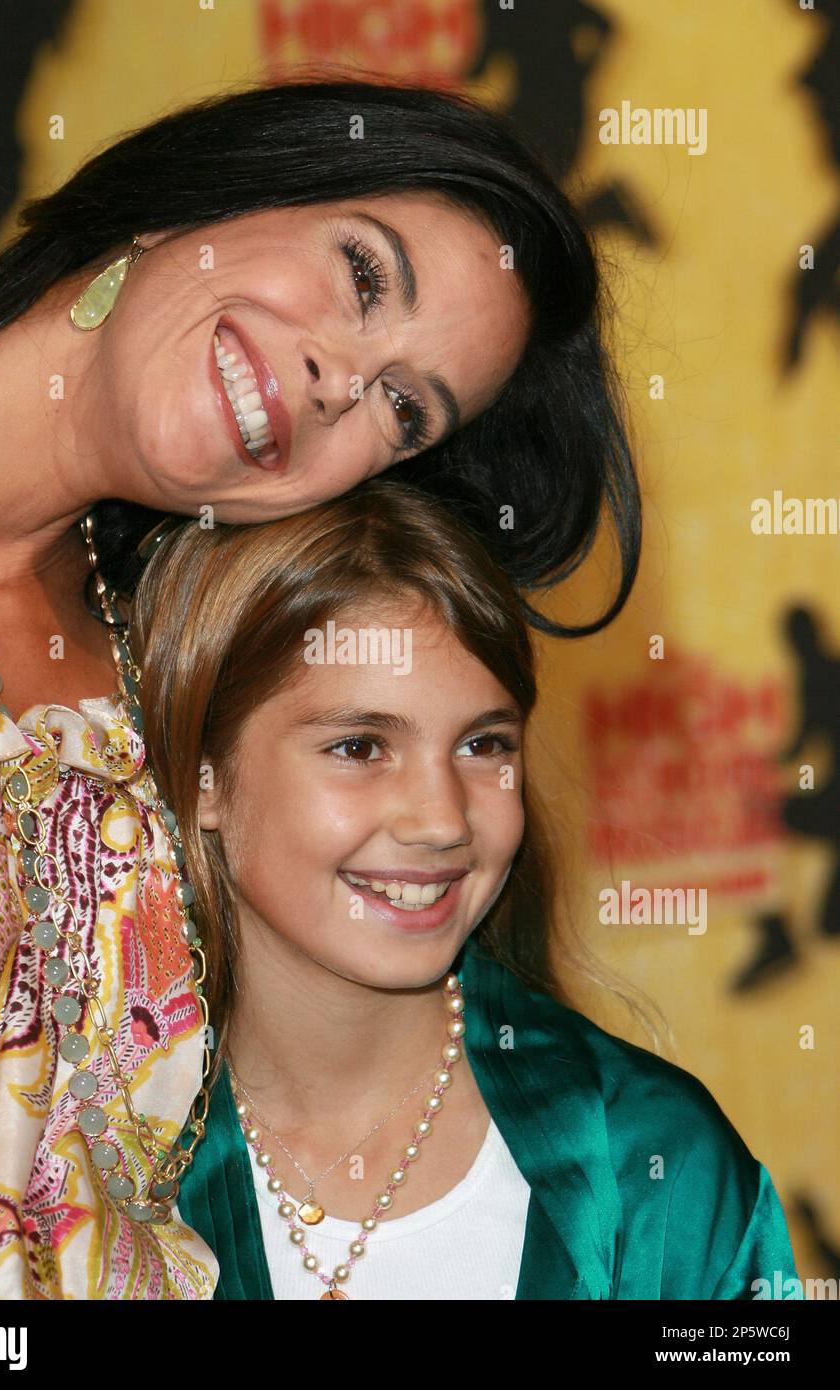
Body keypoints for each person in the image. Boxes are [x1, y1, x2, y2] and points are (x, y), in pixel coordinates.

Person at [0, 78, 639, 1298]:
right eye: (361, 274)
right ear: (213, 194)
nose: (341, 382)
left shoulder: (173, 685)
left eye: (401, 409)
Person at [127, 479, 802, 1301]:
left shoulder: (652, 1168)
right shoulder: (91, 1162)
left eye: (484, 744)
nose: (442, 820)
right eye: (360, 746)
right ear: (202, 775)